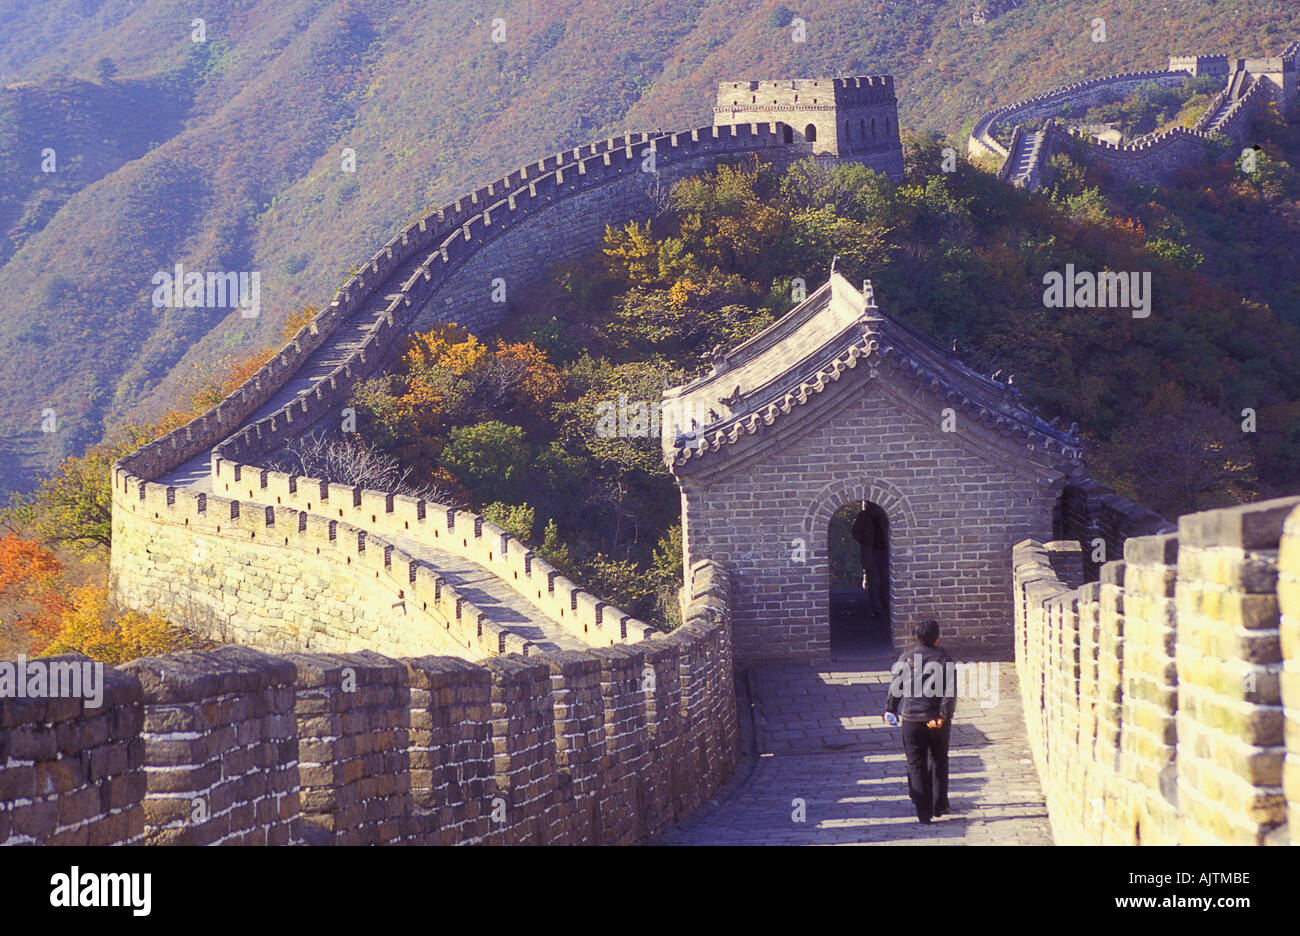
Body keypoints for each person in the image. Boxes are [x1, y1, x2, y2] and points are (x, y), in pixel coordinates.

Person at [884, 619, 956, 824]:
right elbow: (949, 693)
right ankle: (939, 804)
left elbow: (896, 688)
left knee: (915, 763)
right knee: (939, 760)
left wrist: (890, 708)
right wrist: (943, 715)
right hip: (935, 720)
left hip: (911, 719)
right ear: (937, 637)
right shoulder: (944, 660)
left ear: (916, 638)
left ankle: (922, 812)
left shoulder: (906, 659)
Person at [850, 503, 888, 616]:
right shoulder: (864, 516)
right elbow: (855, 532)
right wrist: (865, 542)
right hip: (871, 553)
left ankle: (885, 604)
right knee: (874, 581)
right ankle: (876, 609)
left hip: (885, 552)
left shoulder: (884, 515)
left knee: (886, 579)